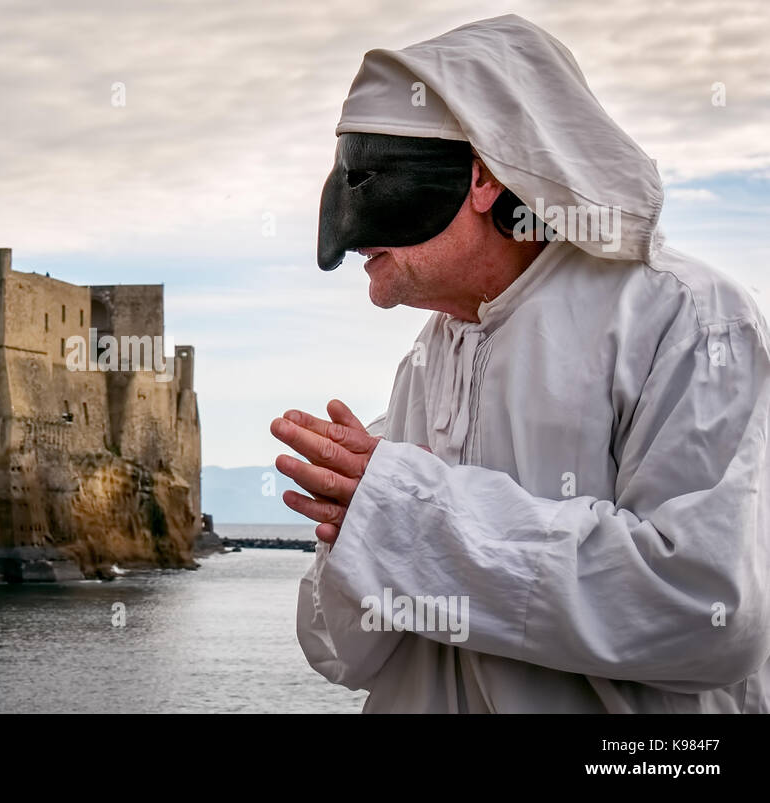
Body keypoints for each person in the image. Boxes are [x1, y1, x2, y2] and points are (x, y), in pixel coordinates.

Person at [273, 14, 770, 712]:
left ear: (480, 176)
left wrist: (407, 513)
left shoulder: (686, 320)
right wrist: (356, 529)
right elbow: (341, 654)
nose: (346, 226)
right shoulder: (426, 362)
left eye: (375, 170)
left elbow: (708, 609)